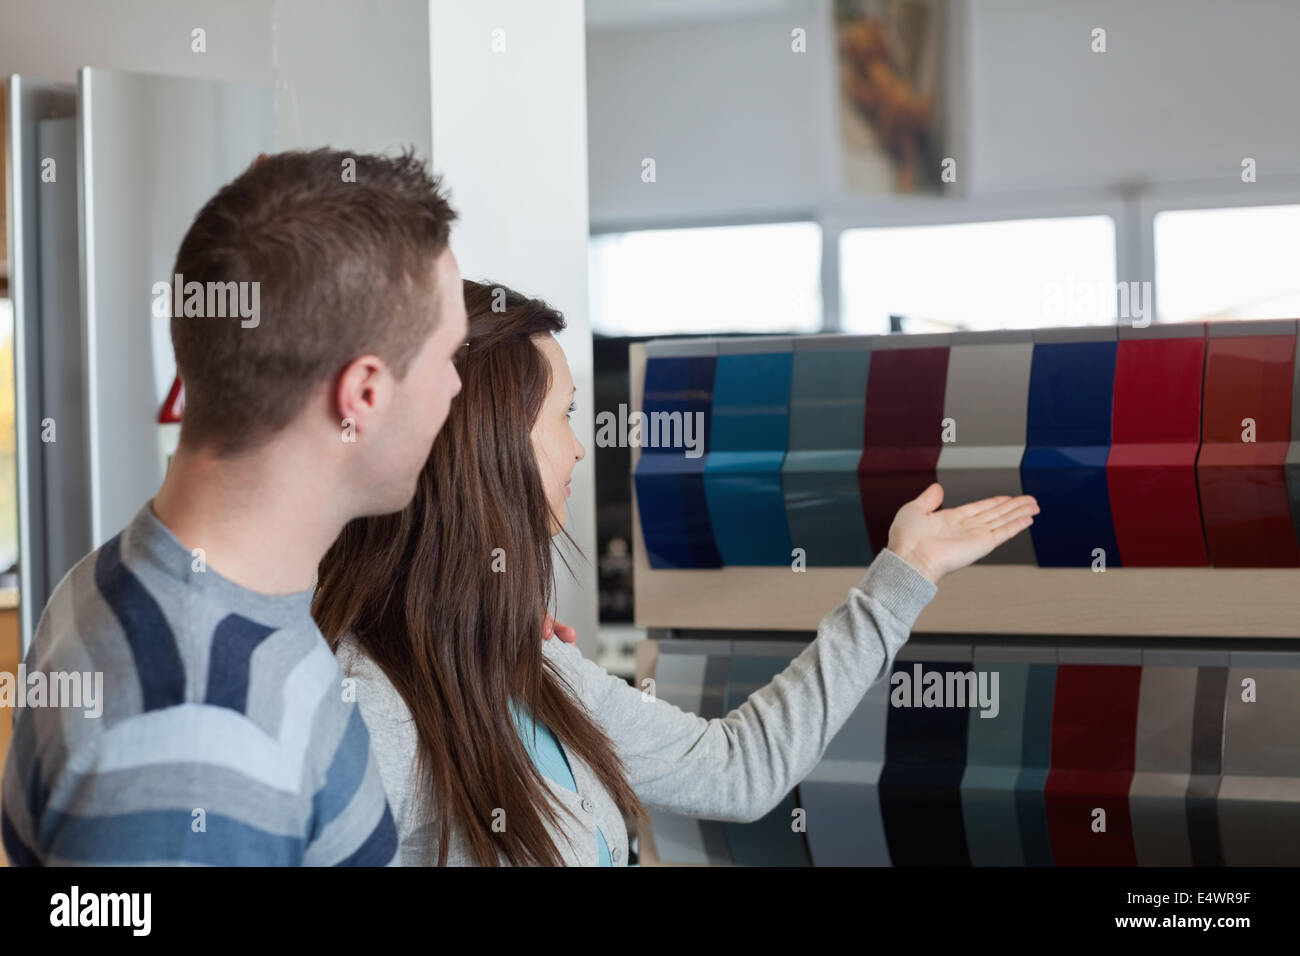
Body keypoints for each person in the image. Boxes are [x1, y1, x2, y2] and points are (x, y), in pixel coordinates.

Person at [314, 279, 1040, 866]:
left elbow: (739, 767)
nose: (580, 448)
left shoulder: (534, 667)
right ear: (494, 444)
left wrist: (905, 573)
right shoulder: (370, 703)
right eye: (565, 416)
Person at [1, 149, 466, 865]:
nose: (457, 387)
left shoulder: (128, 570)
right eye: (447, 357)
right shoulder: (194, 742)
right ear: (364, 395)